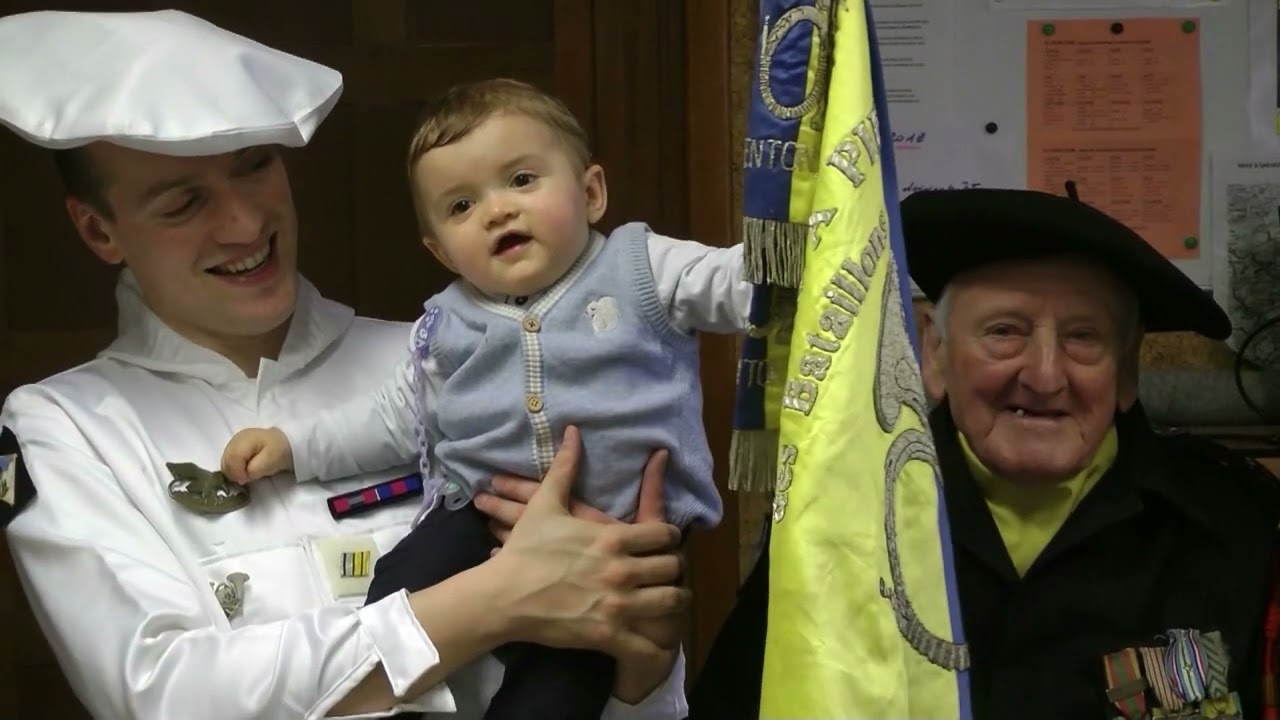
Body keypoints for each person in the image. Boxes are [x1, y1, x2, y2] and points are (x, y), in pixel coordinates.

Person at [0, 10, 690, 719]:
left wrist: (639, 672)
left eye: (255, 166)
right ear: (97, 229)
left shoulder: (443, 359)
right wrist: (497, 600)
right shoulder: (69, 429)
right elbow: (165, 695)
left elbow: (612, 651)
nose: (244, 224)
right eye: (184, 204)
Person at [219, 77, 750, 720]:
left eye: (522, 180)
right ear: (440, 250)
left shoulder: (644, 267)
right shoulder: (445, 325)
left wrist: (808, 256)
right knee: (395, 595)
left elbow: (737, 283)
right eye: (462, 205)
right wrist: (294, 446)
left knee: (560, 687)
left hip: (611, 540)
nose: (497, 210)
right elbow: (395, 416)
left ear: (590, 193)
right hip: (478, 514)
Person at [689, 186, 1280, 720]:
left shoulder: (1234, 526)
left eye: (1083, 338)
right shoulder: (837, 517)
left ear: (1125, 373)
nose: (1045, 375)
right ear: (935, 352)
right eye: (1004, 332)